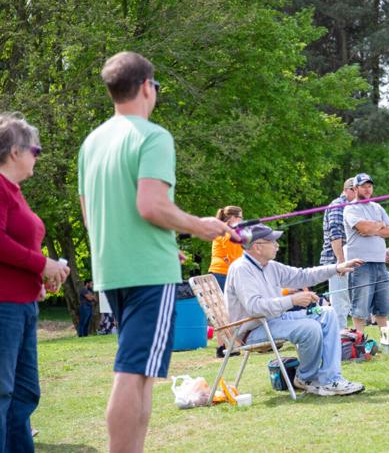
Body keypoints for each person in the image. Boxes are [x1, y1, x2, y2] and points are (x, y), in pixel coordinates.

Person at [78, 52, 235, 453]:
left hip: (113, 271)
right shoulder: (153, 136)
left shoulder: (92, 142)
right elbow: (151, 205)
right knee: (133, 371)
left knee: (141, 371)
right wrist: (199, 226)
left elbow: (92, 216)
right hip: (148, 274)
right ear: (147, 86)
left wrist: (160, 243)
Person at [225, 224, 365, 395]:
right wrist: (292, 300)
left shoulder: (270, 266)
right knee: (309, 327)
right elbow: (254, 307)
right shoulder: (241, 269)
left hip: (274, 321)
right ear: (257, 247)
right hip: (252, 330)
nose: (277, 245)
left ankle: (331, 379)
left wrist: (336, 268)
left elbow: (303, 276)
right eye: (272, 241)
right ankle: (306, 377)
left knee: (327, 313)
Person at [0, 112, 70, 452]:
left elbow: (20, 246)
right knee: (2, 393)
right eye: (36, 150)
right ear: (15, 151)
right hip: (4, 308)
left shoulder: (15, 192)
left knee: (25, 394)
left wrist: (39, 278)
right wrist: (42, 264)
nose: (38, 156)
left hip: (23, 305)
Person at [343, 173, 389, 333]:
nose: (367, 189)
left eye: (369, 186)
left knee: (384, 305)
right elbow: (363, 228)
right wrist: (379, 226)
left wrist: (374, 228)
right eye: (363, 186)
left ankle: (386, 341)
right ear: (355, 188)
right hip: (360, 264)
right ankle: (359, 341)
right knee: (360, 306)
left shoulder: (377, 207)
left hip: (380, 263)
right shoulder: (350, 208)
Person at [320, 177, 356, 330]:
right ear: (349, 190)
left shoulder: (350, 206)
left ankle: (345, 334)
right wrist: (340, 261)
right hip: (337, 260)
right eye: (357, 191)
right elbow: (335, 234)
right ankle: (340, 336)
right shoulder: (338, 205)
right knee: (339, 301)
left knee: (346, 301)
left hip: (345, 259)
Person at [208, 206, 244, 290]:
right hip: (223, 273)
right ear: (232, 218)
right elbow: (233, 256)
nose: (242, 220)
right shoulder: (228, 232)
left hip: (221, 273)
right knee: (228, 303)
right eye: (240, 217)